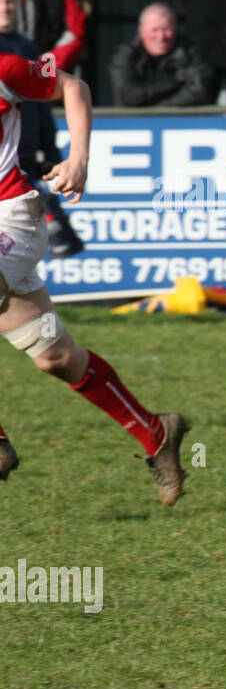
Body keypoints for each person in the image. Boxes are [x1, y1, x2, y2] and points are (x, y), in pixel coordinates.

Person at [0, 52, 189, 505]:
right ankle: (156, 433)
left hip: (11, 218)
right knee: (56, 356)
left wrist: (79, 158)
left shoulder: (4, 67)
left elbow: (73, 87)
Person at [0, 0, 81, 258]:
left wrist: (54, 151)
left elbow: (62, 92)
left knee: (48, 230)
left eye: (10, 2)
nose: (5, 8)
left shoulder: (25, 50)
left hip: (22, 153)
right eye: (0, 2)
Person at [109, 3, 217, 107]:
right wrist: (176, 81)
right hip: (133, 124)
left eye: (166, 29)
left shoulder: (191, 52)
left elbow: (202, 93)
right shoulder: (126, 54)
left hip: (181, 122)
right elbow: (129, 96)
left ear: (176, 29)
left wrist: (160, 108)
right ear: (141, 31)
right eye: (154, 30)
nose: (161, 37)